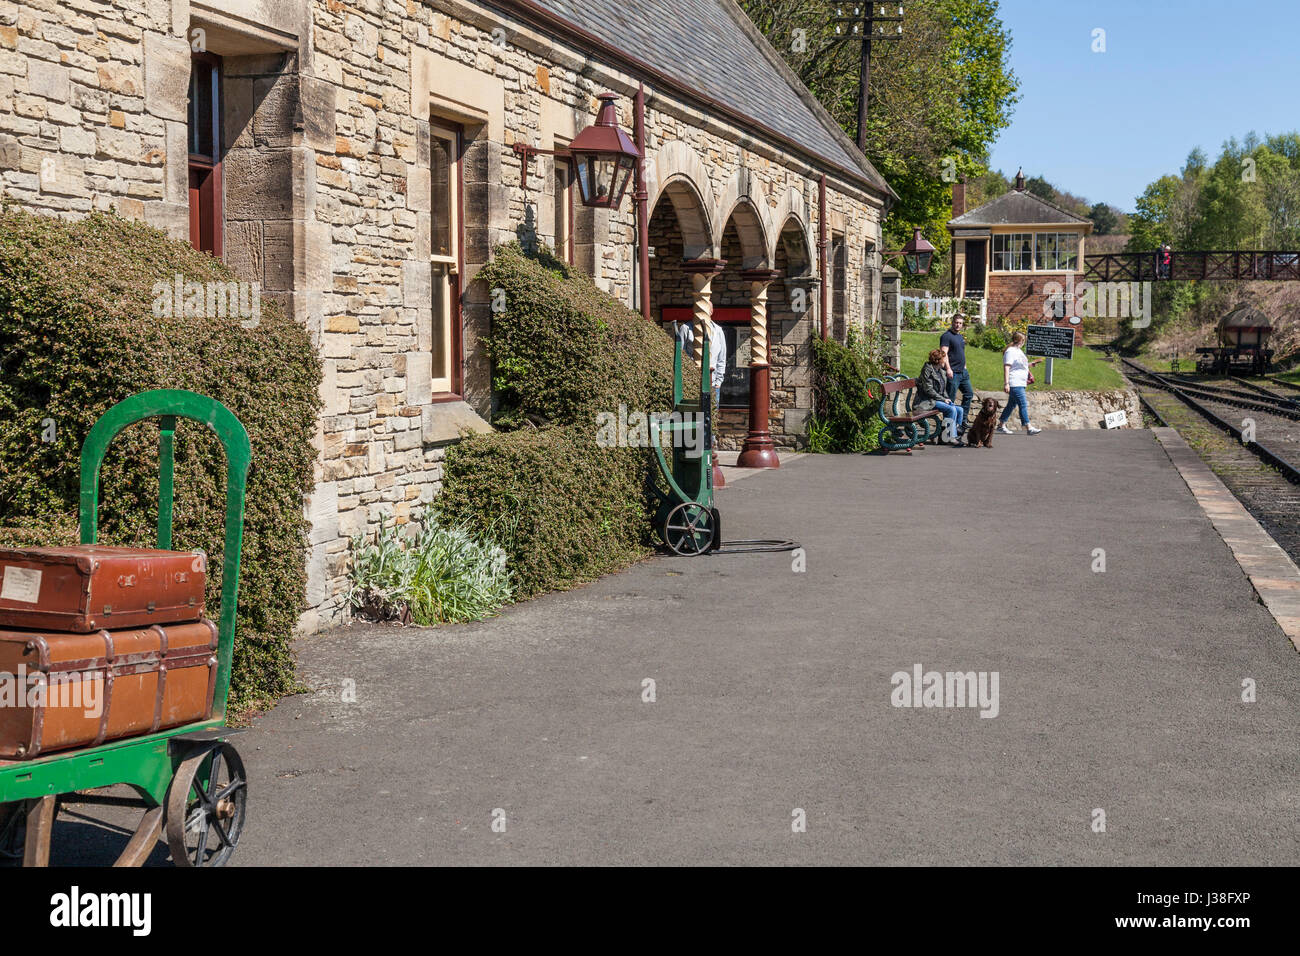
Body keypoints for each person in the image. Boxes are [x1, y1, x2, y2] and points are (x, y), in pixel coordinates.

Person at [998, 331, 1043, 435]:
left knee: (1011, 405)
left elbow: (1020, 365)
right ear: (1020, 340)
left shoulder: (1019, 351)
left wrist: (1031, 364)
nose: (1024, 342)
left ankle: (1001, 425)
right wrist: (1006, 383)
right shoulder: (1010, 351)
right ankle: (1028, 427)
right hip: (1014, 383)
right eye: (1024, 340)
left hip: (1021, 383)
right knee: (1023, 404)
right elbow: (1007, 367)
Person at [917, 348, 964, 444]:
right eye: (944, 359)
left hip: (936, 399)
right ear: (938, 361)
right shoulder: (927, 370)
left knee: (960, 409)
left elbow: (943, 390)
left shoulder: (940, 371)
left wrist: (947, 399)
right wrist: (943, 399)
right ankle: (951, 437)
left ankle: (947, 436)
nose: (946, 361)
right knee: (951, 409)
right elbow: (928, 390)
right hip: (927, 401)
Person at [940, 314, 973, 438]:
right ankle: (948, 430)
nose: (958, 325)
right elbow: (944, 353)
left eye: (960, 323)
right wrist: (948, 368)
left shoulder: (959, 336)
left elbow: (961, 353)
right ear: (952, 322)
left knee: (969, 394)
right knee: (950, 401)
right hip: (953, 373)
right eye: (956, 322)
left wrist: (965, 366)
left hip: (963, 372)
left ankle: (962, 421)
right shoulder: (946, 336)